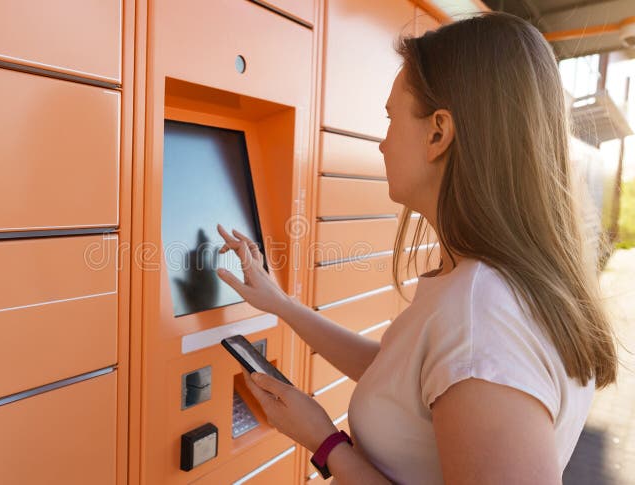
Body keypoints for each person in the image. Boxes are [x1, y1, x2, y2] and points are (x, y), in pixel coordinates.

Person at [215, 11, 619, 485]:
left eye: (390, 118)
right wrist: (280, 304)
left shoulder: (481, 321)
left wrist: (326, 443)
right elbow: (401, 378)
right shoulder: (488, 289)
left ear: (437, 133)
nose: (382, 144)